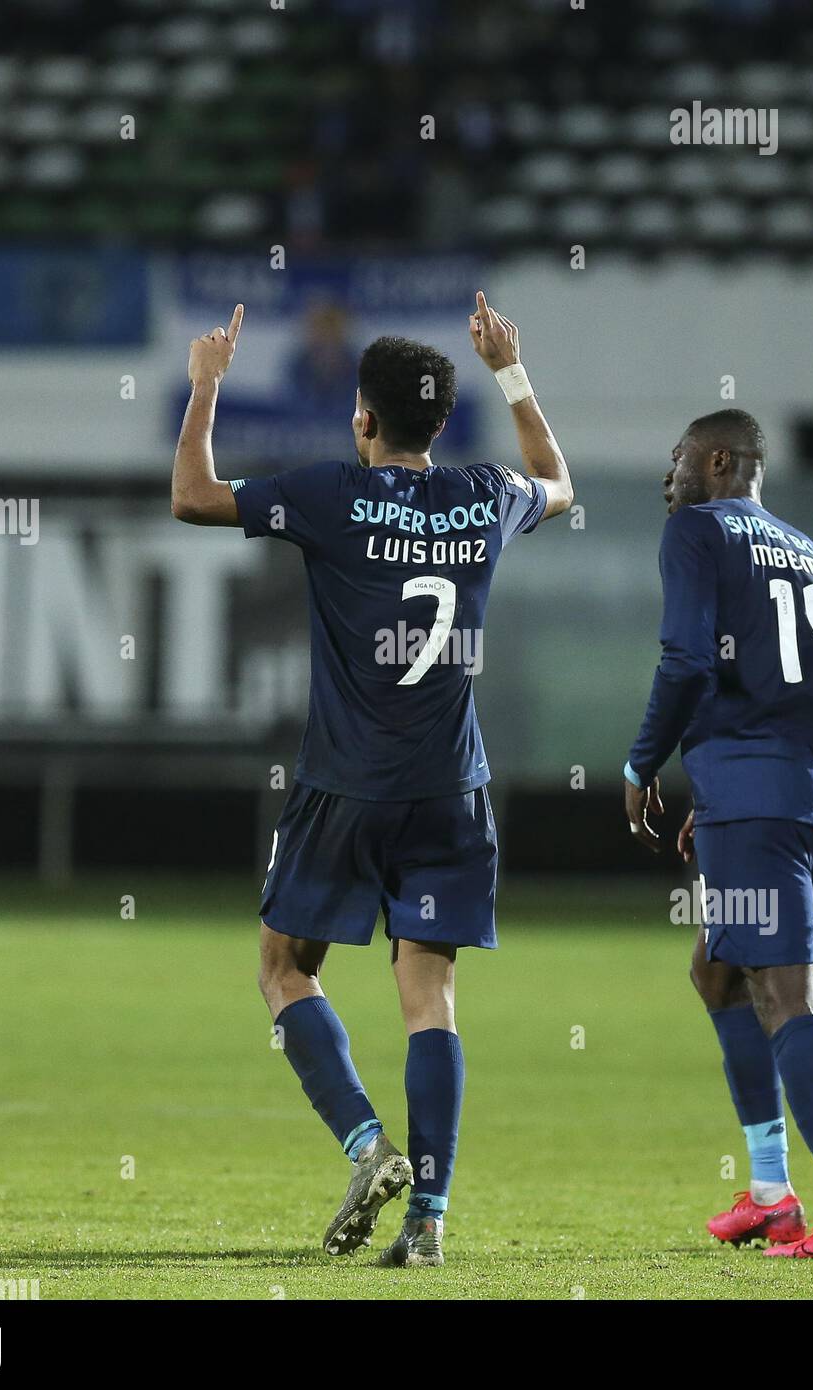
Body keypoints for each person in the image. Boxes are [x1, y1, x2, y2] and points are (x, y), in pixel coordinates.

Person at [171, 291, 572, 1266]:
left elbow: (192, 495)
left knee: (281, 966)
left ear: (363, 417)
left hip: (344, 786)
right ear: (442, 423)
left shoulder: (329, 495)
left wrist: (206, 387)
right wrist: (510, 370)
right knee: (428, 996)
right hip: (450, 790)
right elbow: (557, 479)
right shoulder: (486, 494)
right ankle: (428, 1218)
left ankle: (365, 1143)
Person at [624, 409, 813, 1258]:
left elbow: (688, 661)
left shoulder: (699, 532)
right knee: (717, 973)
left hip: (759, 798)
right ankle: (773, 1195)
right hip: (796, 797)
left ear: (716, 460)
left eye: (675, 460)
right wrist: (761, 776)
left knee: (782, 994)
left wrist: (643, 767)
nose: (667, 478)